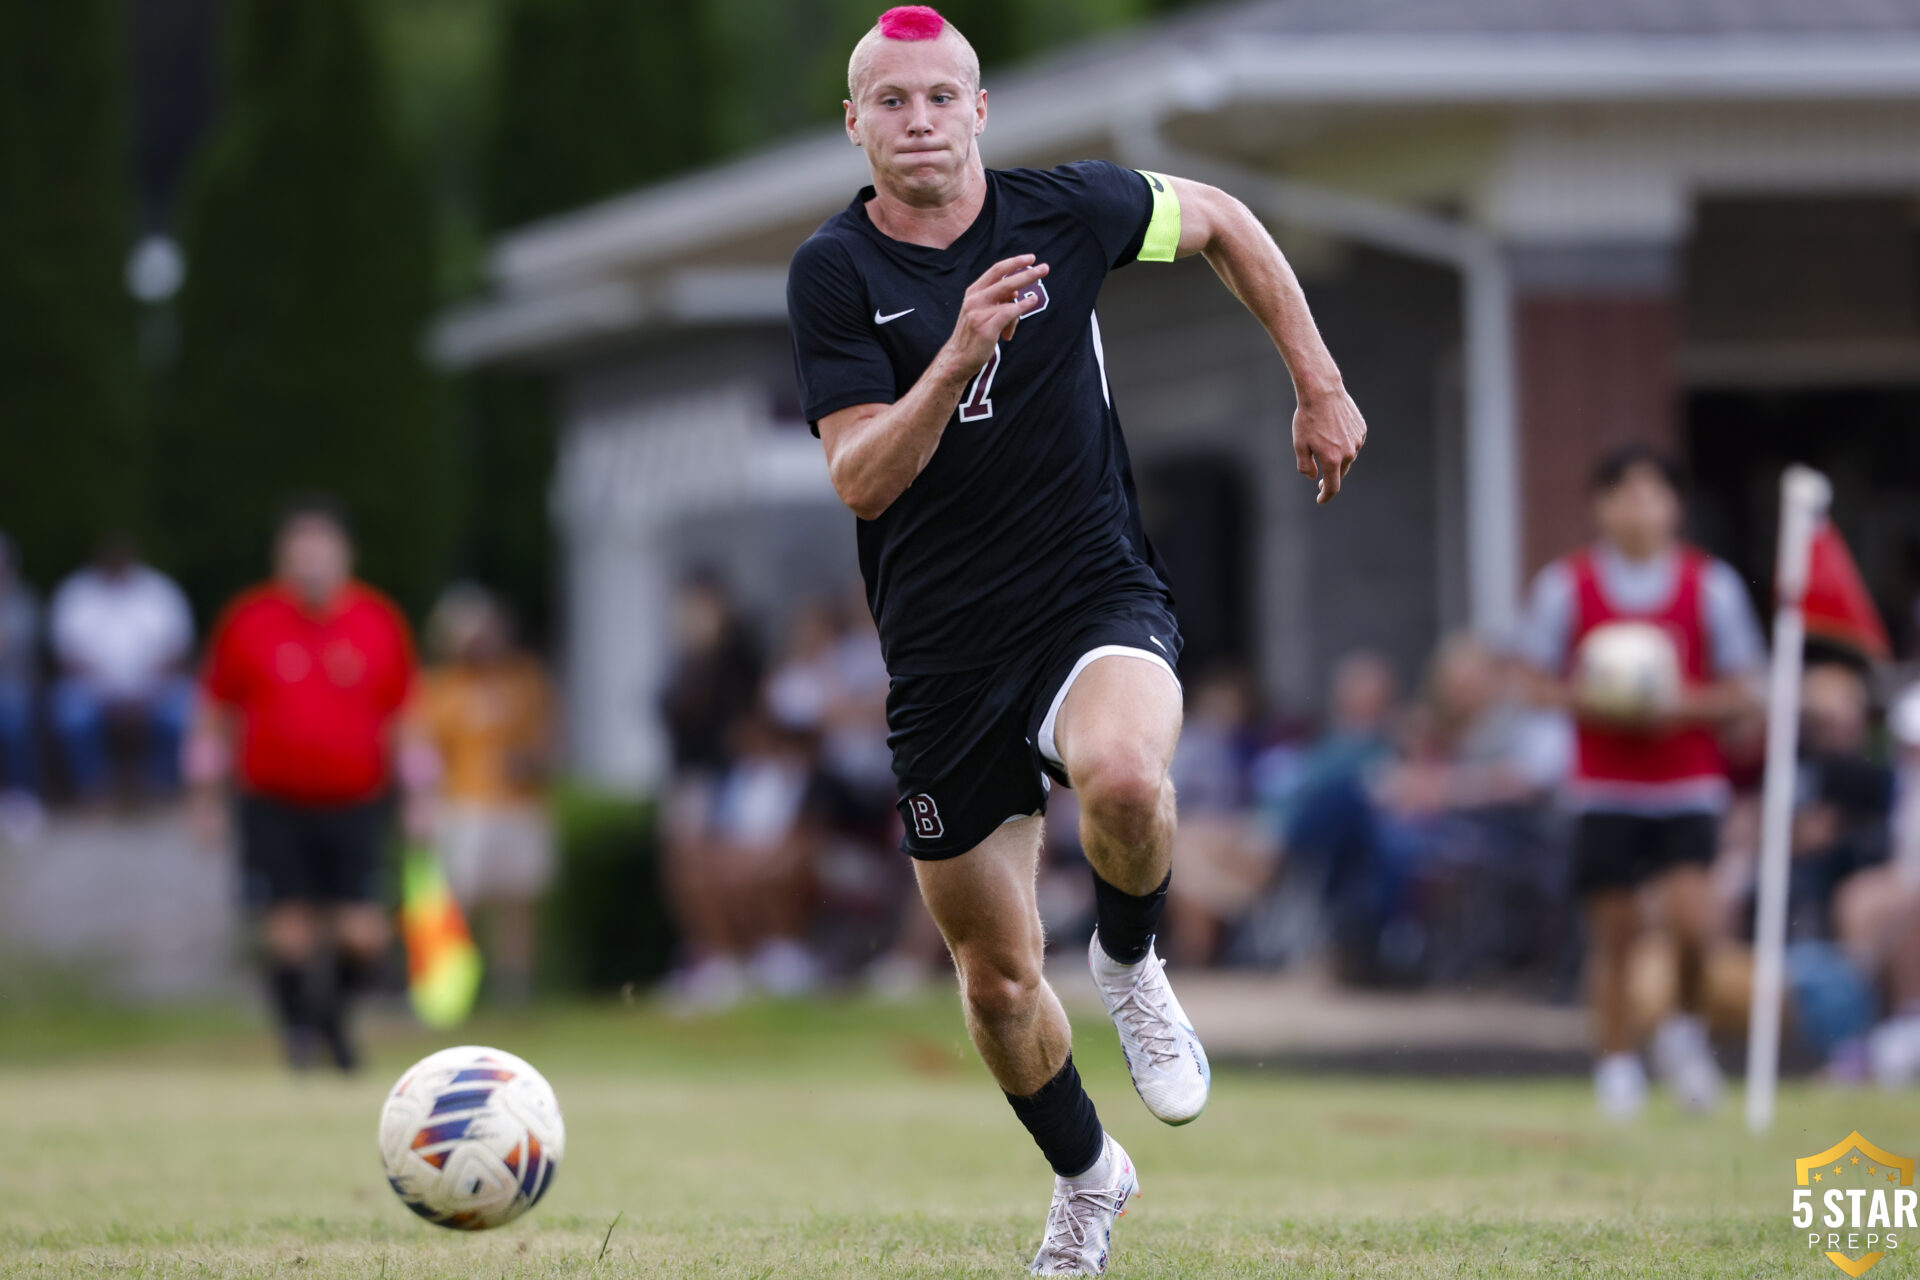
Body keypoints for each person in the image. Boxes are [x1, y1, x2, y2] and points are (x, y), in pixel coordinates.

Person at [785, 7, 1368, 1271]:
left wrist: (1316, 379)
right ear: (856, 124)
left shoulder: (1069, 210)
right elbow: (860, 479)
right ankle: (1089, 1176)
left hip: (1089, 595)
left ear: (981, 110)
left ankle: (1133, 958)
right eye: (893, 101)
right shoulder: (834, 273)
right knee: (997, 981)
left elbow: (1224, 219)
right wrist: (957, 355)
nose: (921, 121)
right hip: (943, 656)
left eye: (943, 96)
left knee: (1125, 775)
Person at [1516, 445, 1764, 1121]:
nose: (1638, 509)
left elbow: (1743, 689)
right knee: (1616, 931)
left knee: (1694, 921)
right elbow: (1531, 682)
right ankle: (1617, 1066)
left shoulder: (1711, 586)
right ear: (1600, 506)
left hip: (1687, 784)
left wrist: (1675, 705)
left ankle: (1685, 1033)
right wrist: (1594, 700)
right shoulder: (1565, 586)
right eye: (1623, 495)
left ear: (1675, 506)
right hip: (1604, 787)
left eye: (1653, 494)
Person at [184, 500, 418, 1071]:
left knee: (363, 933)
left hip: (355, 800)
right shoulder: (250, 620)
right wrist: (205, 797)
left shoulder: (377, 620)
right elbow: (214, 713)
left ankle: (331, 1021)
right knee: (288, 930)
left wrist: (420, 795)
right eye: (300, 551)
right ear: (282, 558)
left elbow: (406, 716)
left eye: (322, 550)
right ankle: (299, 1039)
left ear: (345, 555)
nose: (312, 562)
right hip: (273, 799)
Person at [414, 584, 558, 1003]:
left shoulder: (524, 679)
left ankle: (513, 985)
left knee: (517, 899)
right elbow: (425, 750)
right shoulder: (442, 687)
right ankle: (448, 987)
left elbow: (547, 738)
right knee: (456, 900)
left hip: (519, 803)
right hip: (463, 804)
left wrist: (533, 762)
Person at [47, 536, 195, 802]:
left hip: (154, 690)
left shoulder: (160, 591)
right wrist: (107, 692)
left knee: (184, 710)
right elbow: (67, 658)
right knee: (72, 717)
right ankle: (93, 789)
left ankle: (162, 787)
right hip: (93, 692)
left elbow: (178, 652)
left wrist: (145, 691)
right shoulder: (76, 593)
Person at [0, 534, 43, 838]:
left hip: (11, 683)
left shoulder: (22, 603)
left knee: (13, 712)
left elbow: (11, 648)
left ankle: (22, 798)